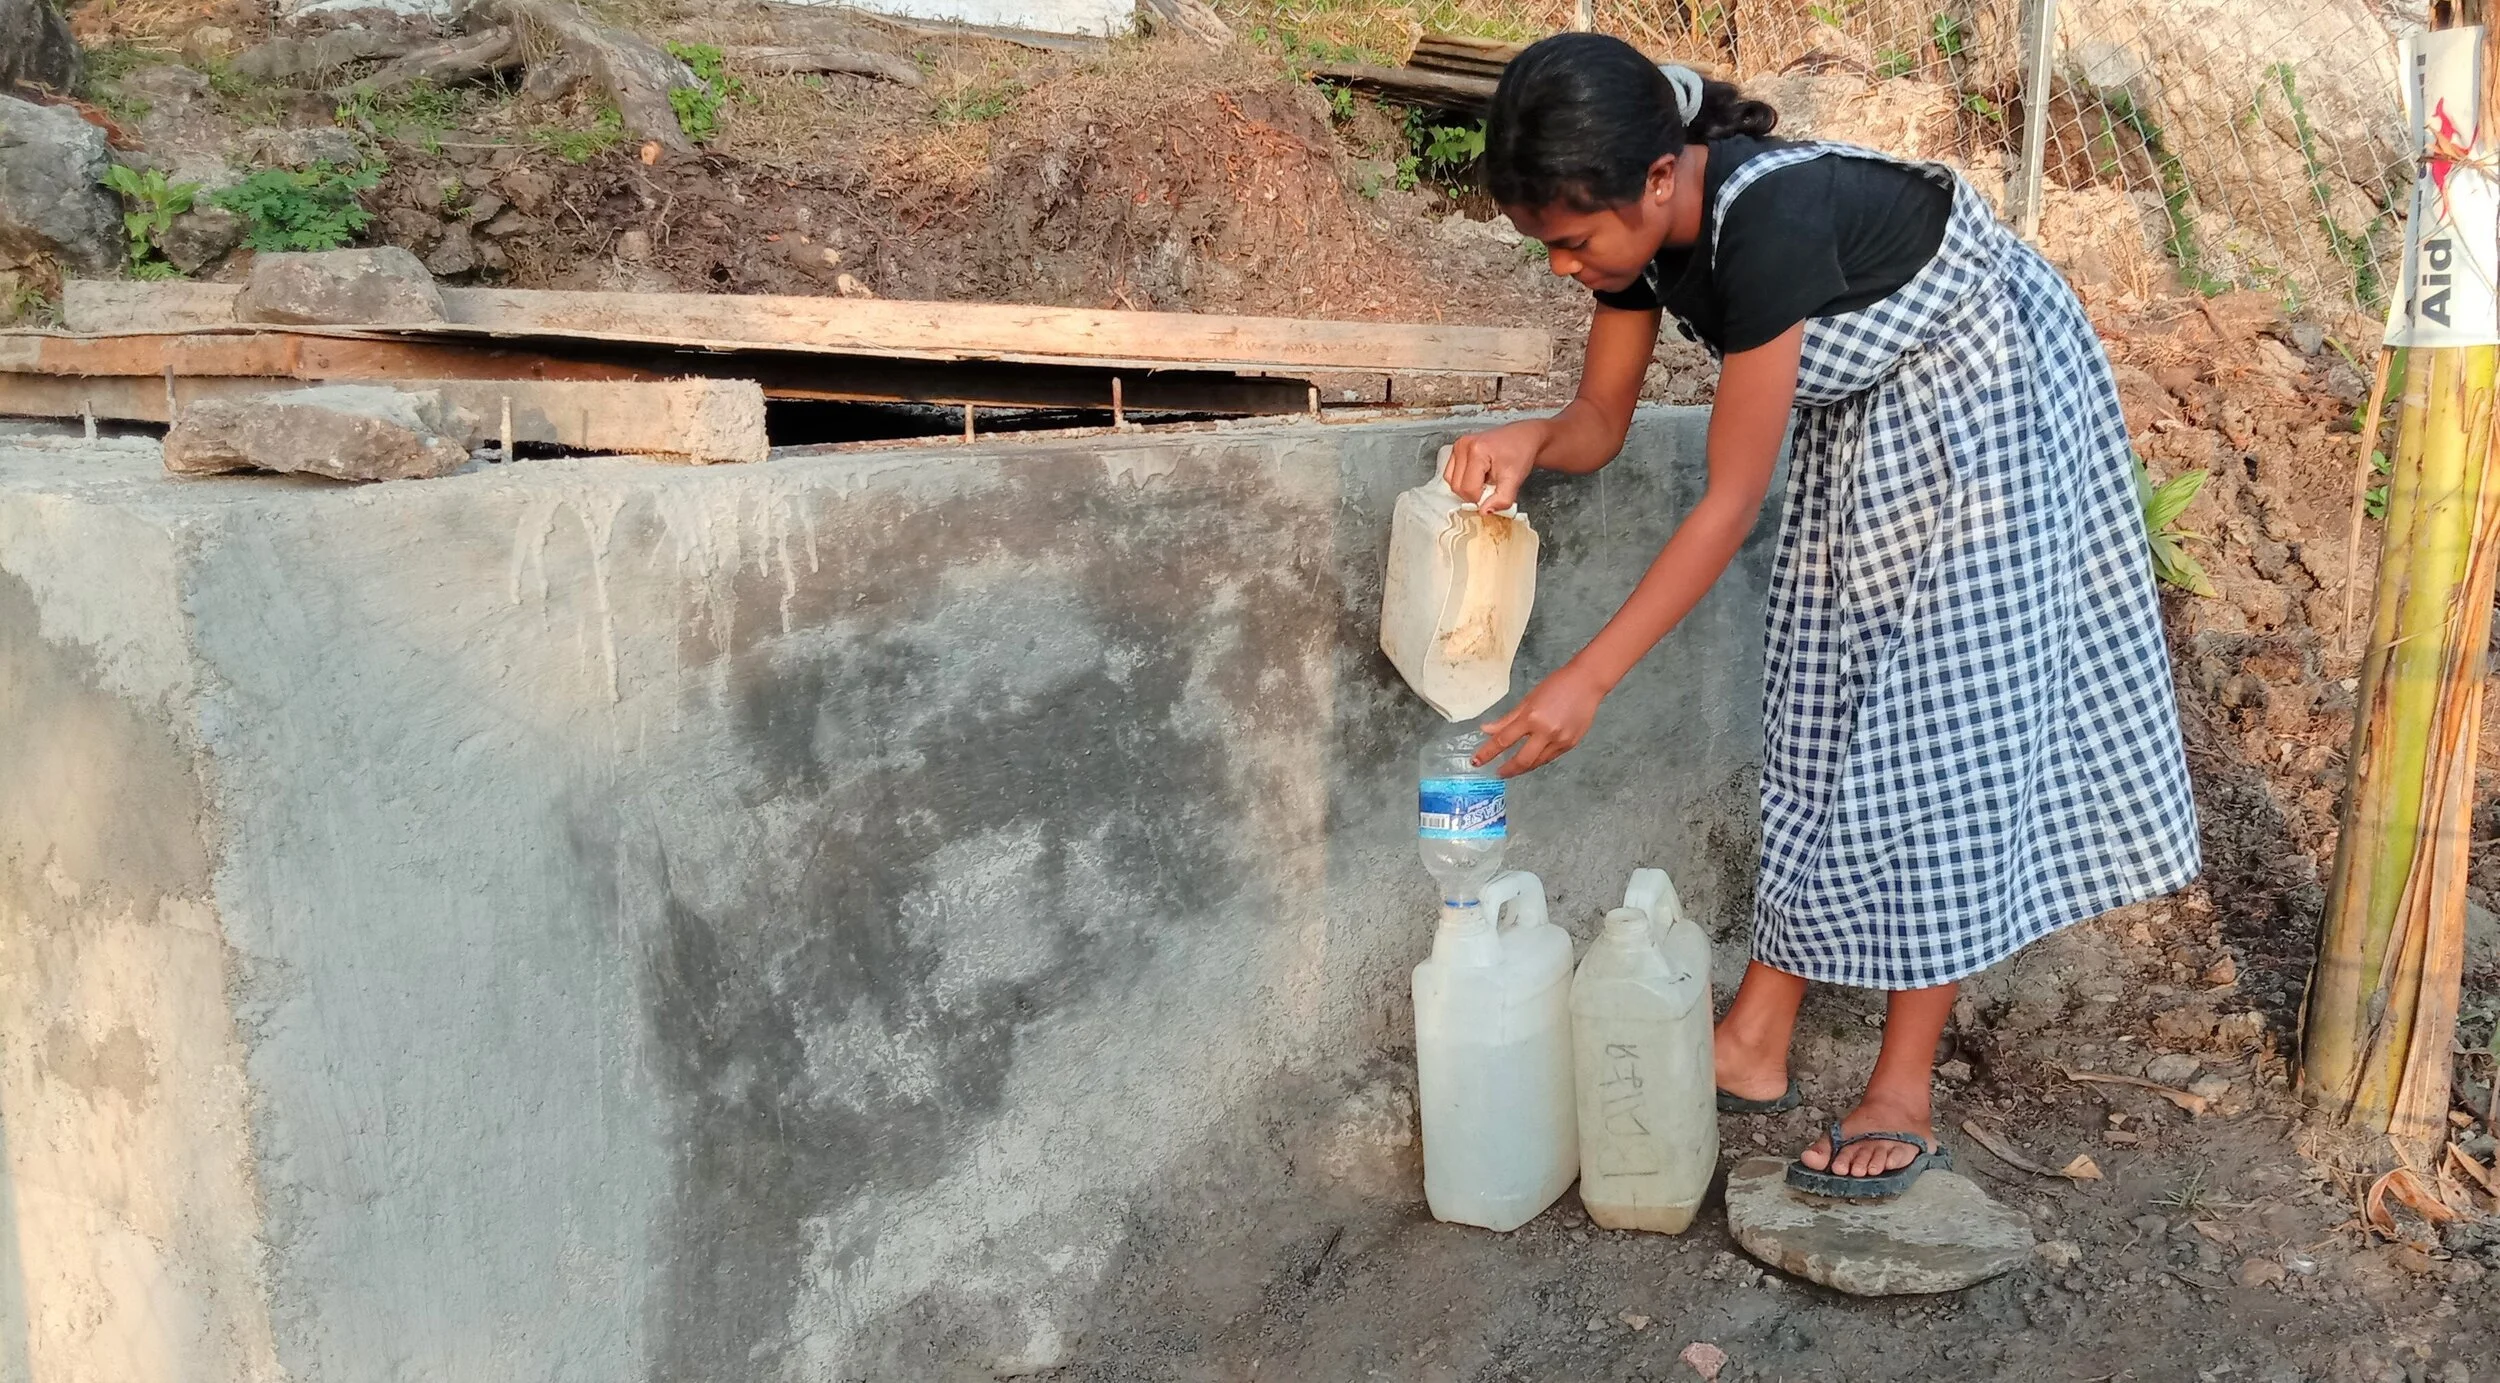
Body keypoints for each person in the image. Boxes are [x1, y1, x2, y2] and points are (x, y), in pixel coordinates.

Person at [1445, 32, 2200, 1198]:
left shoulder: (1773, 220)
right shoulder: (1635, 245)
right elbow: (1598, 421)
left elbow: (1734, 496)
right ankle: (1753, 1039)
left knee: (1942, 736)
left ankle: (1901, 1079)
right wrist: (1531, 439)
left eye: (1570, 242)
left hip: (1991, 400)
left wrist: (1589, 677)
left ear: (1658, 179)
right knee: (1819, 717)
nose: (1561, 269)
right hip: (1873, 424)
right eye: (1543, 246)